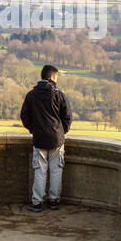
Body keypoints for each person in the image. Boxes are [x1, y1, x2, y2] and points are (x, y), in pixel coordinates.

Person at [19, 64, 73, 212]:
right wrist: (63, 131)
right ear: (51, 77)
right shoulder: (58, 94)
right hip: (57, 138)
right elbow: (67, 116)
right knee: (56, 170)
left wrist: (33, 129)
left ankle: (37, 202)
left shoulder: (32, 95)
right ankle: (54, 200)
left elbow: (24, 116)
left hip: (39, 137)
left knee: (40, 170)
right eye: (56, 76)